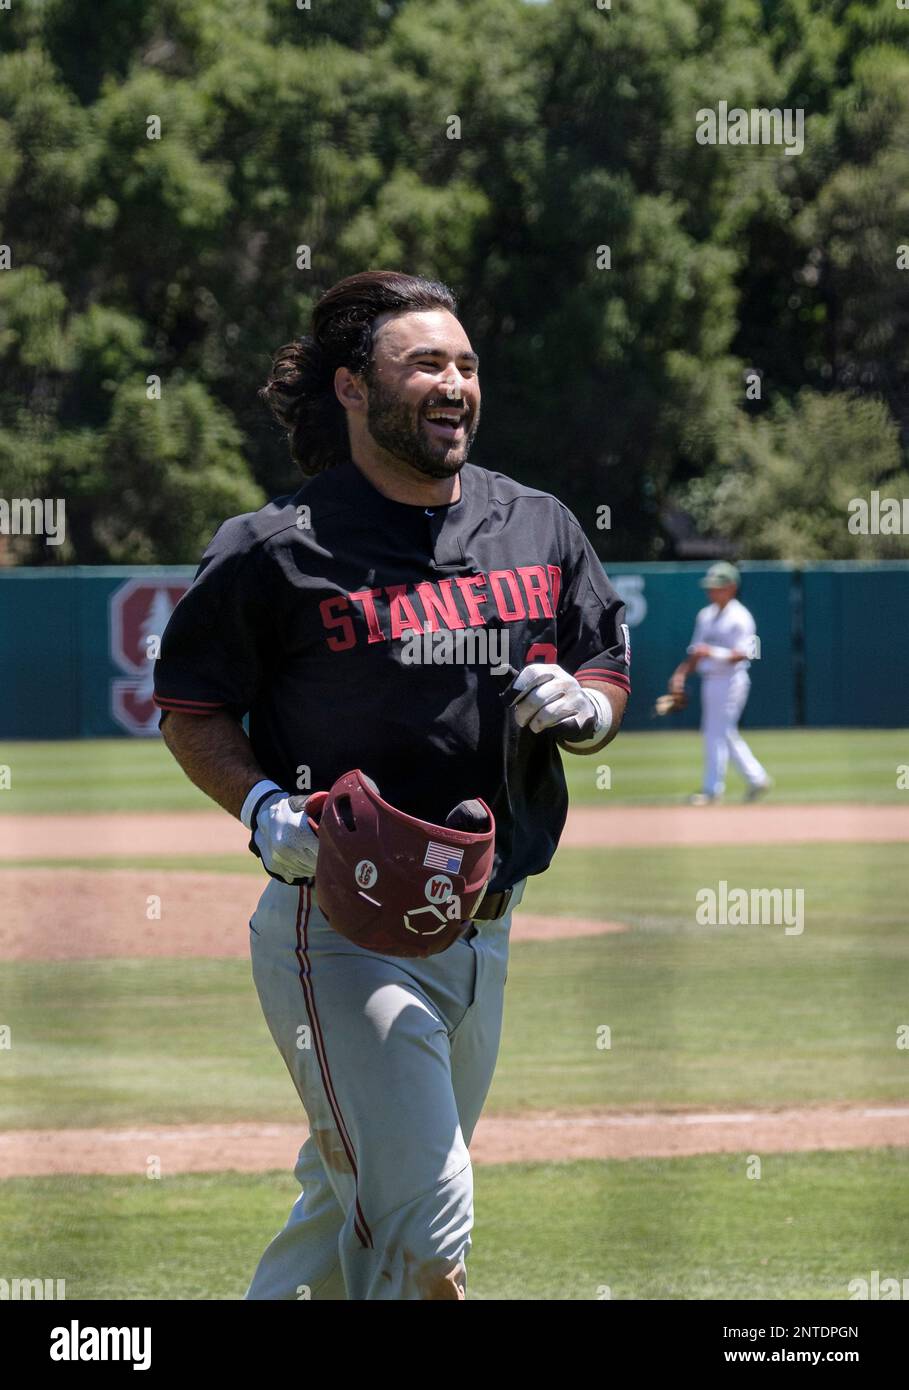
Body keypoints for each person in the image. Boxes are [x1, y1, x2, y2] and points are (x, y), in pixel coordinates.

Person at [153, 270, 631, 1300]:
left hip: (485, 922)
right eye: (424, 363)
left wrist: (589, 711)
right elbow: (192, 709)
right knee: (428, 1202)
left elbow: (605, 664)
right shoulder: (275, 546)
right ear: (354, 390)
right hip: (337, 923)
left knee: (344, 1209)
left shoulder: (538, 523)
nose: (453, 383)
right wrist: (260, 803)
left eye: (464, 364)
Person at [669, 561, 772, 805]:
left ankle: (712, 789)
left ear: (732, 587)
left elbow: (747, 652)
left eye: (717, 586)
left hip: (732, 680)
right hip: (710, 679)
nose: (711, 591)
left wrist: (712, 652)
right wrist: (681, 674)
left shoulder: (741, 617)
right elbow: (697, 651)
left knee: (717, 732)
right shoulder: (705, 615)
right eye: (710, 587)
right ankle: (756, 778)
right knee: (721, 732)